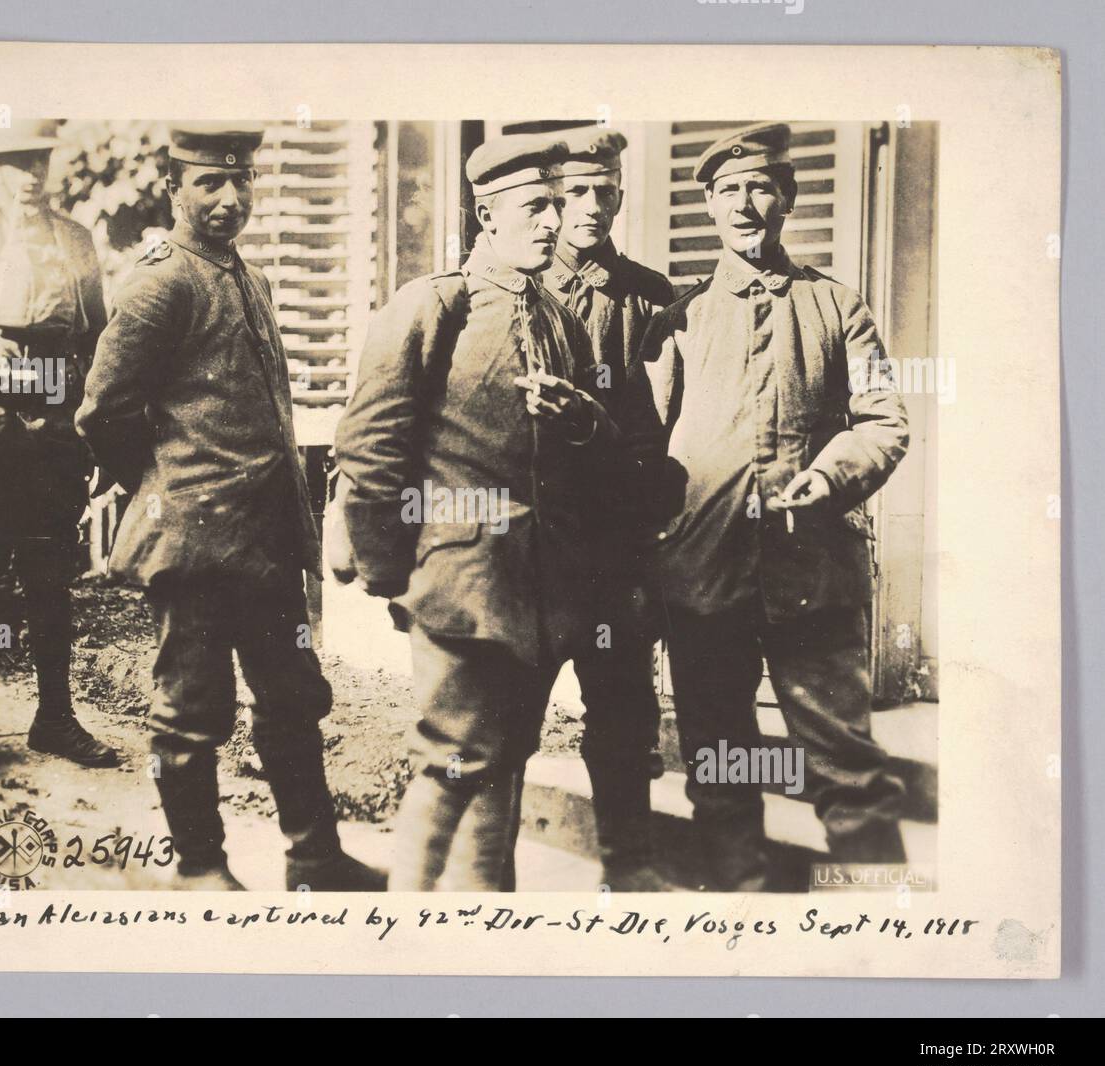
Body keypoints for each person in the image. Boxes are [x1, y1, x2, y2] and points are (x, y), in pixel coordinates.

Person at [76, 123, 384, 892]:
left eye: (242, 179)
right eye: (209, 182)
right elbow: (103, 410)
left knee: (292, 698)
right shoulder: (161, 283)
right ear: (174, 189)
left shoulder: (252, 279)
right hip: (196, 546)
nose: (230, 197)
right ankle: (199, 865)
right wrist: (163, 487)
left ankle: (315, 856)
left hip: (265, 539)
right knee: (191, 707)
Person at [334, 132, 621, 891]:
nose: (555, 222)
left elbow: (602, 448)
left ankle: (478, 914)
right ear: (487, 216)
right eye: (536, 208)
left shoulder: (559, 318)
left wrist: (580, 417)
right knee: (452, 760)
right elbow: (369, 446)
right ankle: (405, 925)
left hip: (537, 590)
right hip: (459, 584)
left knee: (508, 757)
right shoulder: (434, 306)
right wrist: (393, 573)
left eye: (556, 205)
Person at [635, 122, 910, 891]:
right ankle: (743, 914)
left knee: (849, 768)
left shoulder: (836, 307)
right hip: (705, 578)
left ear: (787, 198)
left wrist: (829, 477)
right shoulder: (678, 320)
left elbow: (885, 421)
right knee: (721, 766)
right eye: (728, 191)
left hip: (814, 578)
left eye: (760, 187)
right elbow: (644, 452)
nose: (744, 204)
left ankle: (890, 925)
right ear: (710, 207)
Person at [534, 124, 676, 890]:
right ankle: (481, 883)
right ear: (552, 199)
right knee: (508, 713)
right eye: (577, 191)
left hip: (615, 543)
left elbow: (668, 425)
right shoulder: (519, 288)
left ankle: (630, 867)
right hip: (535, 542)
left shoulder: (651, 296)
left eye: (606, 190)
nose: (592, 205)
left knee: (622, 711)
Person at [0, 119, 120, 771]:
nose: (28, 175)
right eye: (14, 161)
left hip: (57, 423)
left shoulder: (74, 239)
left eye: (38, 160)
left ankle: (54, 717)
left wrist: (96, 430)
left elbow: (99, 341)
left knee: (50, 575)